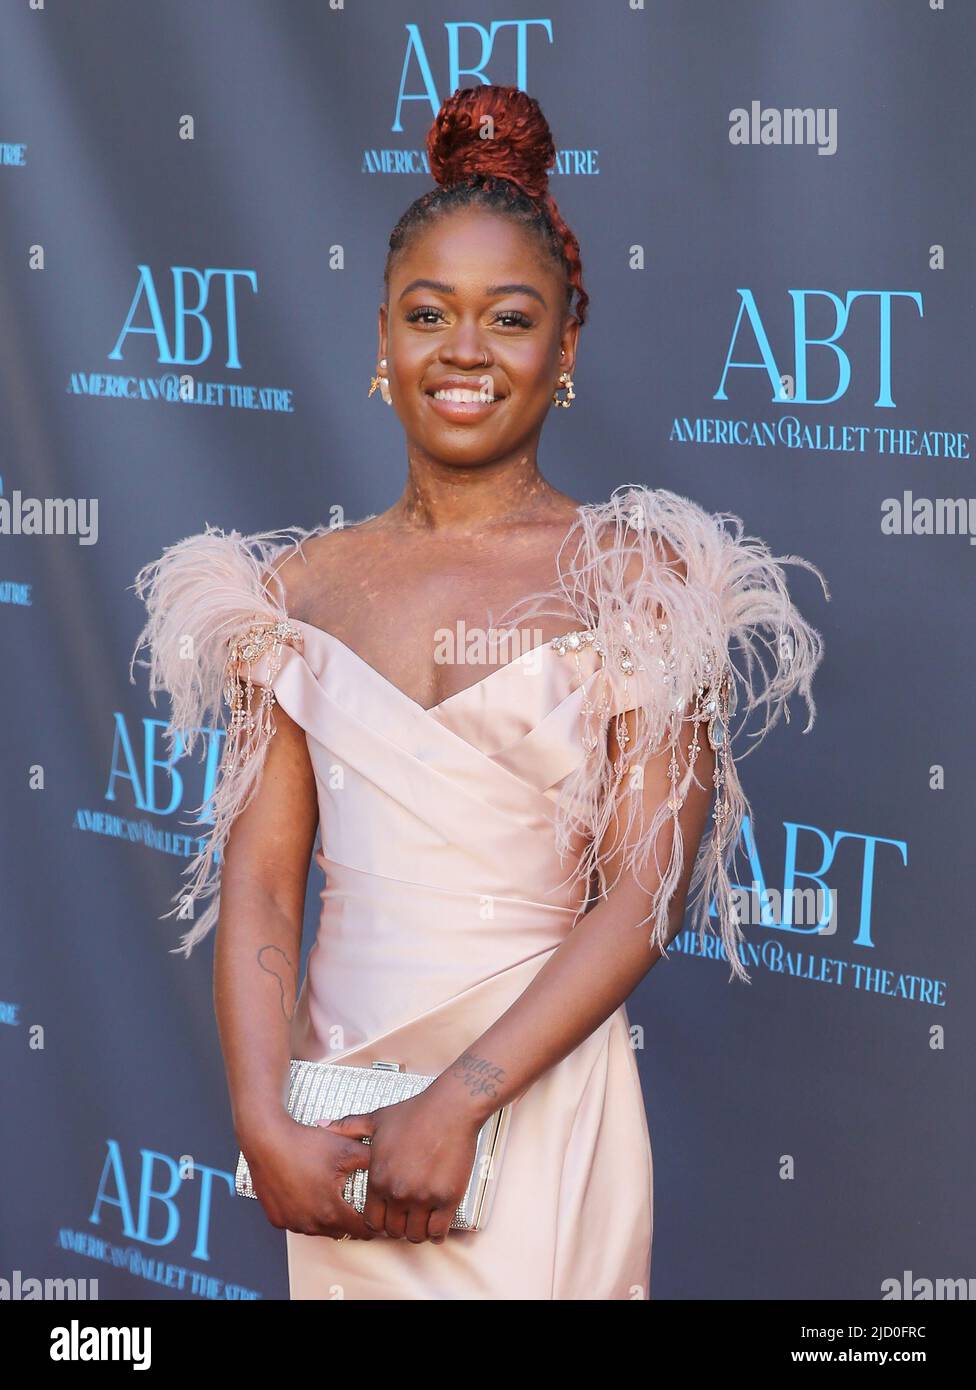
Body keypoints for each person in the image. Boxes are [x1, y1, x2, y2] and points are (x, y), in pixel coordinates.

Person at [130, 85, 826, 1300]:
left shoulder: (644, 581)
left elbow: (645, 891)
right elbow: (260, 877)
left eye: (509, 317)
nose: (463, 351)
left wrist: (458, 1100)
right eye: (427, 313)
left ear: (565, 345)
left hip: (537, 1102)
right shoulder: (292, 591)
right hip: (336, 1118)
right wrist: (261, 1116)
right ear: (383, 341)